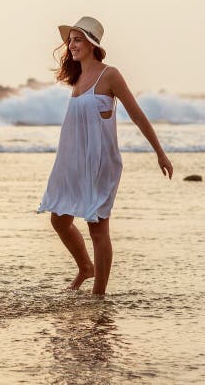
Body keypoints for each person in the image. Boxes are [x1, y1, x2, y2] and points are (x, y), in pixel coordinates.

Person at [37, 16, 173, 295]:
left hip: (99, 162)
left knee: (97, 228)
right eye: (70, 40)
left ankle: (98, 295)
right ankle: (86, 268)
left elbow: (137, 115)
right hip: (72, 161)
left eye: (77, 40)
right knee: (59, 219)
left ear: (92, 44)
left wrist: (160, 152)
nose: (71, 45)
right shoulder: (76, 77)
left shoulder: (109, 74)